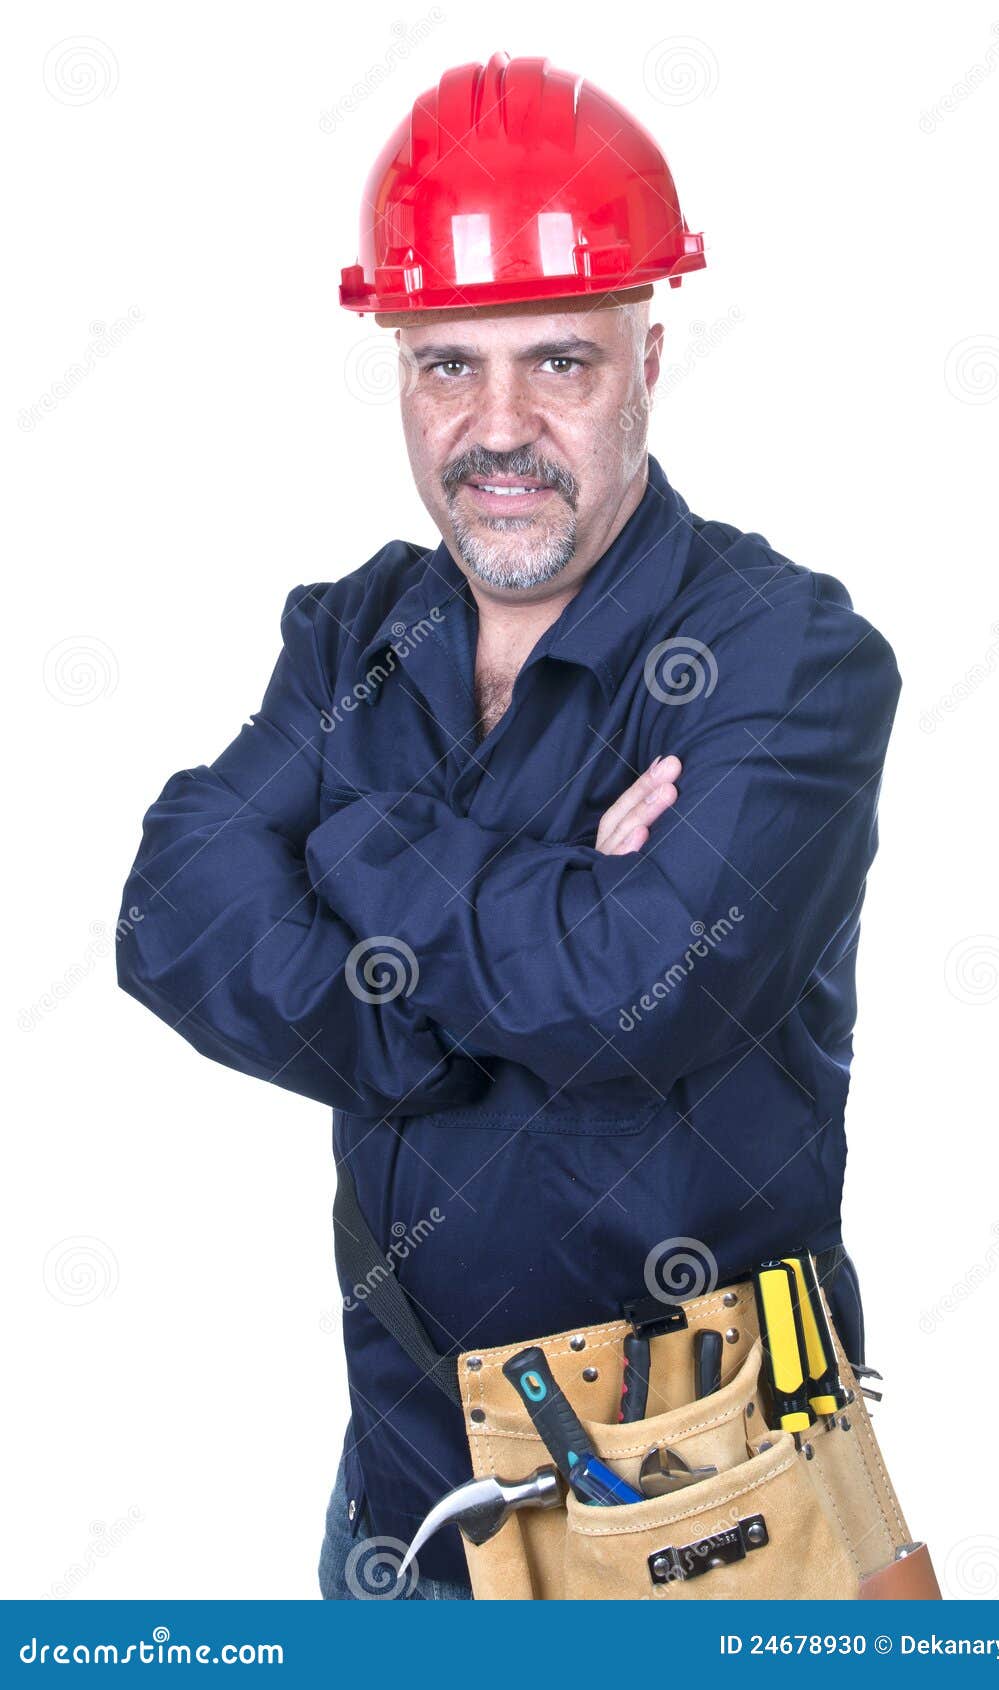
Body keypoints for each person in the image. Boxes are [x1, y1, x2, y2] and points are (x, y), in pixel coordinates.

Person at [116, 52, 899, 1600]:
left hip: (705, 1504)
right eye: (445, 364)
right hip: (407, 1490)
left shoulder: (785, 657)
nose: (498, 426)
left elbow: (640, 989)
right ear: (395, 366)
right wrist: (463, 997)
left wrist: (355, 844)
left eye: (560, 361)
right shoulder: (353, 637)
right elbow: (171, 908)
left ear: (649, 359)